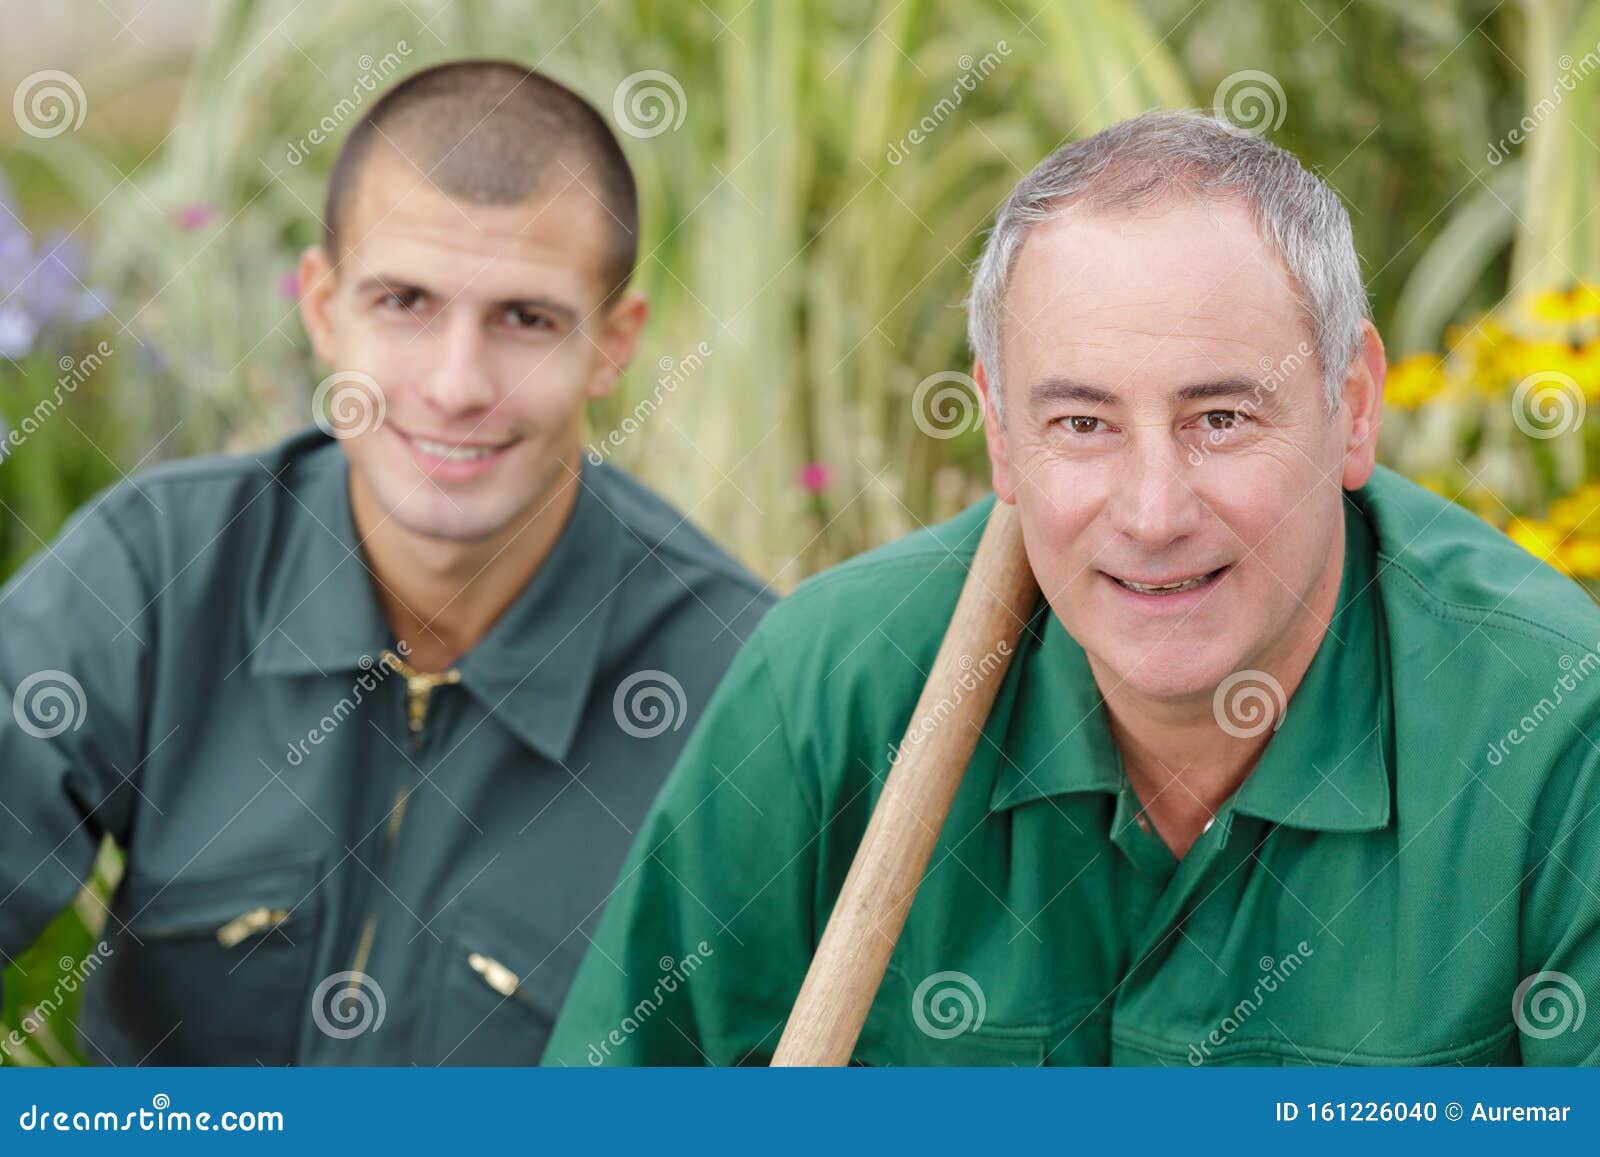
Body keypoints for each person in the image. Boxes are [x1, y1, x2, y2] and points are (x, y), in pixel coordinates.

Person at [544, 110, 1600, 1067]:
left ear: (1354, 406)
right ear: (1000, 433)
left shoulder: (1555, 730)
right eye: (1082, 423)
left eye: (1220, 417)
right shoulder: (830, 690)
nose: (1151, 511)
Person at [0, 59, 771, 1065]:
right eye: (405, 300)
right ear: (323, 308)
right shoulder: (157, 571)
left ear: (613, 344)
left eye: (525, 319)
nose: (456, 384)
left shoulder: (740, 692)